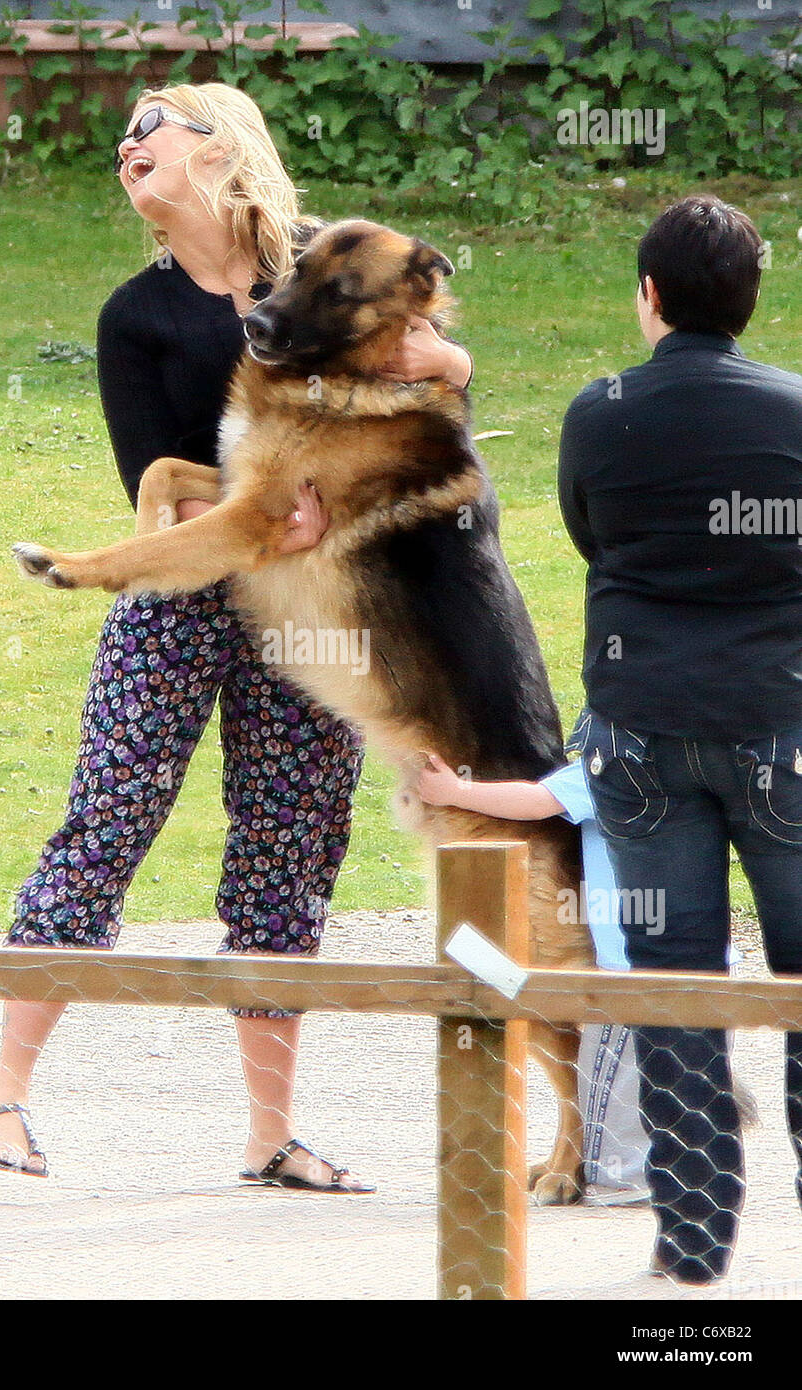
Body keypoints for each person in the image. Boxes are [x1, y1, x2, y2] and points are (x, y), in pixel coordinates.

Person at [0, 82, 473, 1193]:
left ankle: (267, 1135)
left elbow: (438, 361)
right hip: (183, 602)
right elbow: (152, 490)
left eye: (148, 123)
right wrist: (258, 519)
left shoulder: (321, 264)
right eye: (122, 136)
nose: (126, 143)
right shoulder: (133, 316)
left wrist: (439, 372)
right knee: (106, 823)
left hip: (310, 612)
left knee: (289, 853)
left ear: (218, 144)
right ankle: (2, 1100)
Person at [558, 194, 802, 1282]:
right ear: (751, 301)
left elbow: (585, 533)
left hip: (640, 732)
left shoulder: (595, 413)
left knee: (672, 981)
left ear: (647, 297)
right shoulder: (793, 412)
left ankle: (691, 1249)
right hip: (778, 728)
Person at [416, 749, 650, 1203]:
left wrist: (456, 791)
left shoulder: (615, 761)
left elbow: (539, 801)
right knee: (682, 1073)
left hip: (627, 968)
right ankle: (694, 1169)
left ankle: (622, 1183)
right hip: (703, 954)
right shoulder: (684, 765)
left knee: (614, 1082)